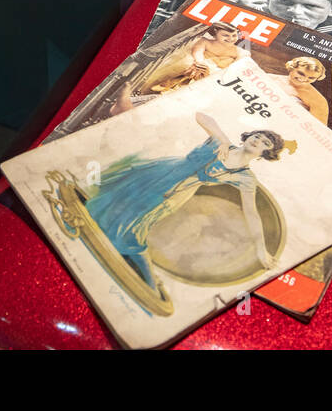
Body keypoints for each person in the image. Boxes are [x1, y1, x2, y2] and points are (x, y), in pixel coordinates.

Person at [85, 112, 295, 285]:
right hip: (160, 171)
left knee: (138, 222)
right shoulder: (220, 143)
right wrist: (222, 138)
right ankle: (91, 223)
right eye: (257, 136)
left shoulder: (245, 178)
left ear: (266, 154)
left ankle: (144, 276)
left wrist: (260, 249)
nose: (258, 140)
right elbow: (202, 116)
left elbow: (252, 213)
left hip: (176, 192)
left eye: (265, 142)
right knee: (121, 196)